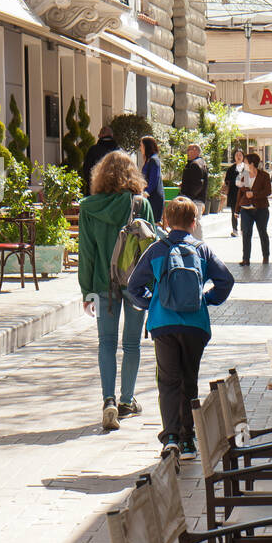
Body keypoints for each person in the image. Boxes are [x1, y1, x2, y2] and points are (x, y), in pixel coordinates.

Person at [126, 195, 234, 460]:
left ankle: (171, 438)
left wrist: (152, 303)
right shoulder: (202, 250)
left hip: (164, 324)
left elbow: (133, 286)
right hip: (195, 325)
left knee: (168, 381)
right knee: (189, 380)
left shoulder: (156, 249)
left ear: (165, 221)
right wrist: (206, 300)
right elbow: (226, 281)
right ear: (193, 222)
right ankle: (189, 442)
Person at [78, 151, 156, 431]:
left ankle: (108, 400)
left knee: (106, 343)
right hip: (135, 283)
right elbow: (152, 248)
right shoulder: (140, 204)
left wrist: (86, 291)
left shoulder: (88, 207)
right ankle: (127, 400)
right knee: (132, 343)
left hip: (101, 283)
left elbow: (86, 252)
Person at [238, 151, 272, 265]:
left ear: (252, 164)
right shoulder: (244, 175)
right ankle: (246, 258)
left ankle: (266, 256)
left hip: (261, 208)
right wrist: (236, 209)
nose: (244, 165)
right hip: (246, 208)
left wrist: (254, 194)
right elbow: (240, 190)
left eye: (246, 163)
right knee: (246, 233)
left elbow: (267, 191)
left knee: (262, 232)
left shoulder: (264, 176)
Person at [179, 142, 208, 236]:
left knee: (195, 223)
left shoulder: (195, 164)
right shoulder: (200, 163)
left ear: (195, 151)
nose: (187, 152)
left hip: (194, 200)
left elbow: (198, 184)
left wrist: (188, 197)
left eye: (189, 150)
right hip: (196, 199)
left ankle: (199, 245)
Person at [82, 124, 119, 196]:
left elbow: (86, 170)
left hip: (96, 190)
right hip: (115, 192)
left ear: (100, 135)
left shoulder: (93, 150)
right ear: (112, 135)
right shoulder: (118, 151)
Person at [222, 147, 247, 237]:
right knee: (234, 212)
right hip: (233, 193)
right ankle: (234, 229)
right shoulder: (231, 169)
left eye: (240, 155)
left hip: (244, 193)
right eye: (237, 155)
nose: (238, 157)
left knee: (244, 212)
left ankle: (243, 229)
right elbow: (227, 180)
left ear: (243, 156)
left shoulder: (247, 168)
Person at [139, 135, 164, 224]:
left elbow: (154, 178)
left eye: (141, 145)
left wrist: (147, 192)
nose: (140, 148)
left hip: (153, 197)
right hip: (149, 196)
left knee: (152, 224)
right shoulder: (149, 159)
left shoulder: (154, 160)